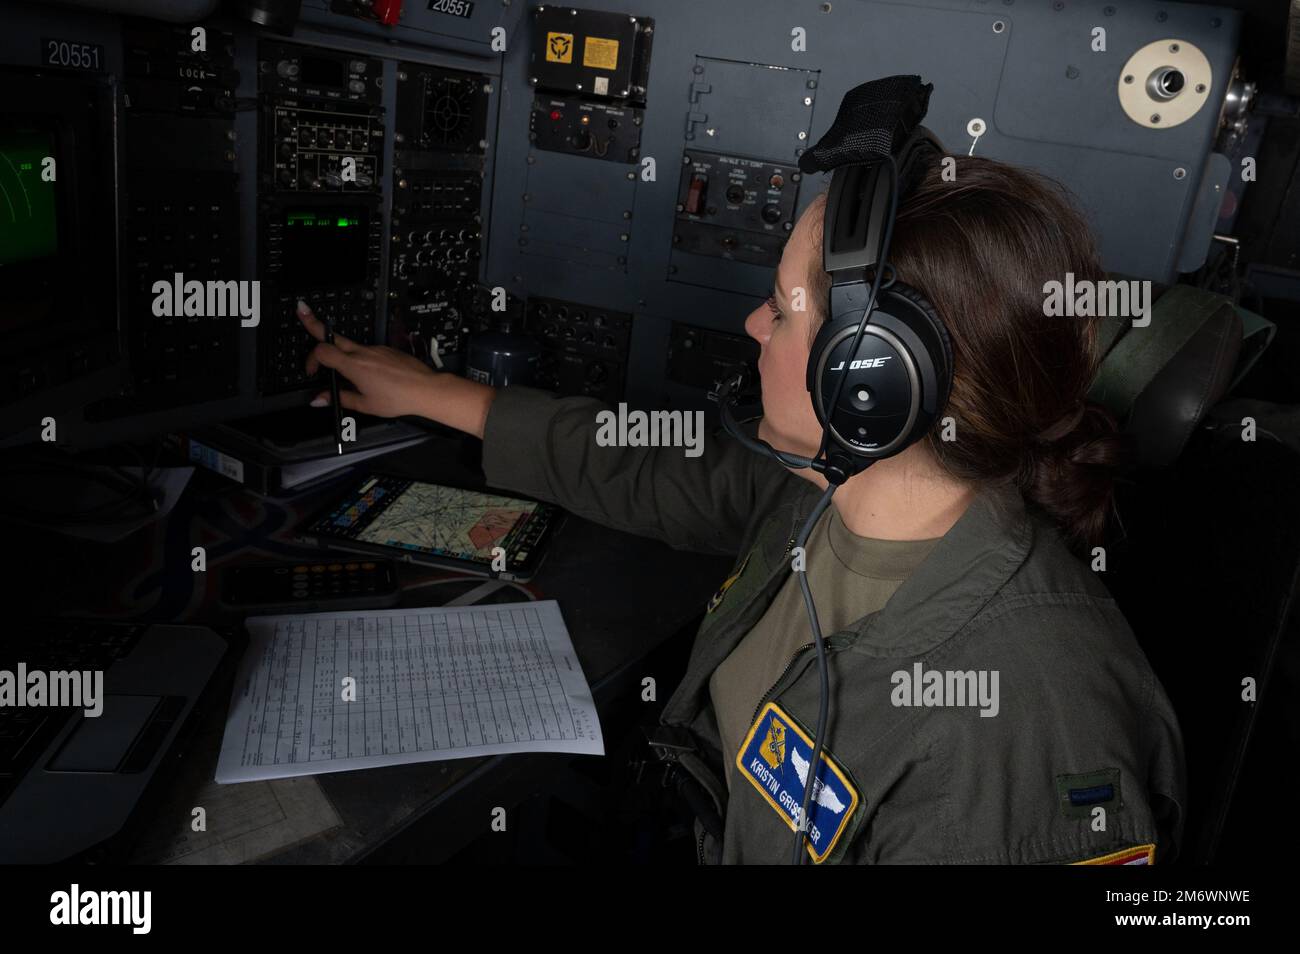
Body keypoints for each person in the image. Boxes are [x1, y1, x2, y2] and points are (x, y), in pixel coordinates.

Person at [296, 154, 1186, 865]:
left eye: (782, 308)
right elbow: (648, 466)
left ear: (870, 380)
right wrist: (435, 393)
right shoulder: (831, 495)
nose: (756, 328)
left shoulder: (1026, 741)